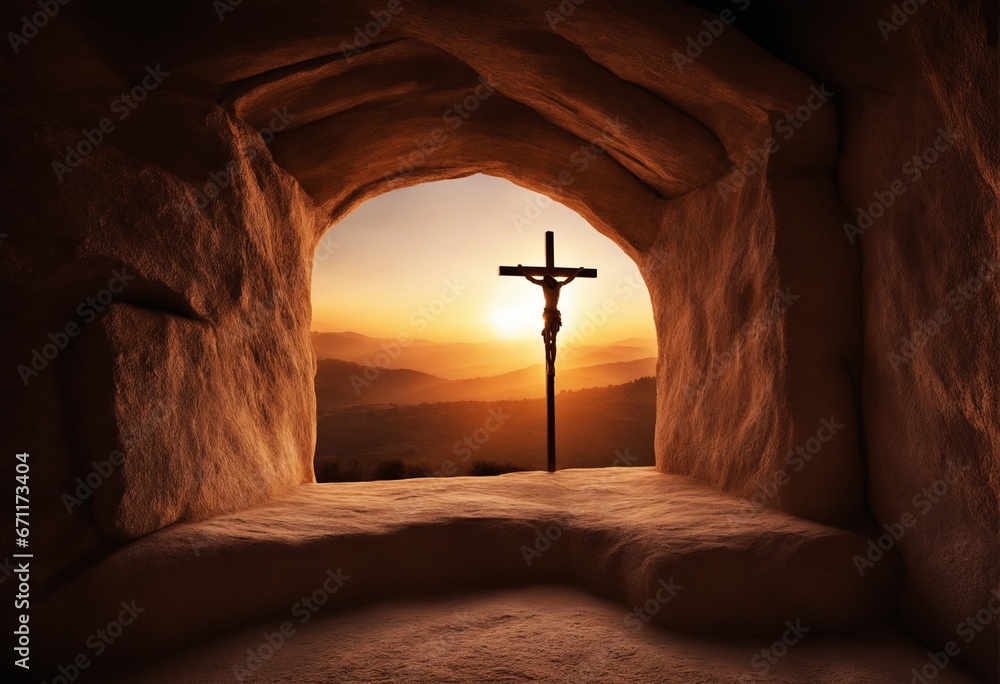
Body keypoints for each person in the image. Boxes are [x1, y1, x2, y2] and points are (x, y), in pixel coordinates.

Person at [517, 265, 585, 376]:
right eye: (545, 280)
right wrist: (521, 270)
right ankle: (549, 365)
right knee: (548, 339)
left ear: (551, 279)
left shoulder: (558, 285)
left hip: (556, 314)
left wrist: (577, 271)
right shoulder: (544, 285)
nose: (547, 281)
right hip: (547, 313)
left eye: (548, 279)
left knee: (553, 340)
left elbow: (569, 280)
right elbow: (531, 279)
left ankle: (552, 364)